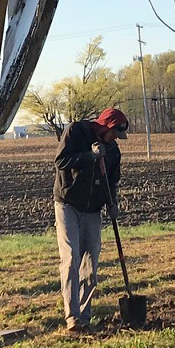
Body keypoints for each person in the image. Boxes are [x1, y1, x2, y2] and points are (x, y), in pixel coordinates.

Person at [52, 107, 127, 333]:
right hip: (68, 204)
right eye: (113, 133)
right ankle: (72, 316)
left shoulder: (113, 151)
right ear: (104, 126)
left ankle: (84, 317)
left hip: (93, 209)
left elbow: (111, 181)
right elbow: (60, 161)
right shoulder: (76, 131)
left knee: (90, 262)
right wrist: (89, 156)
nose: (115, 139)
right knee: (72, 257)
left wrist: (112, 204)